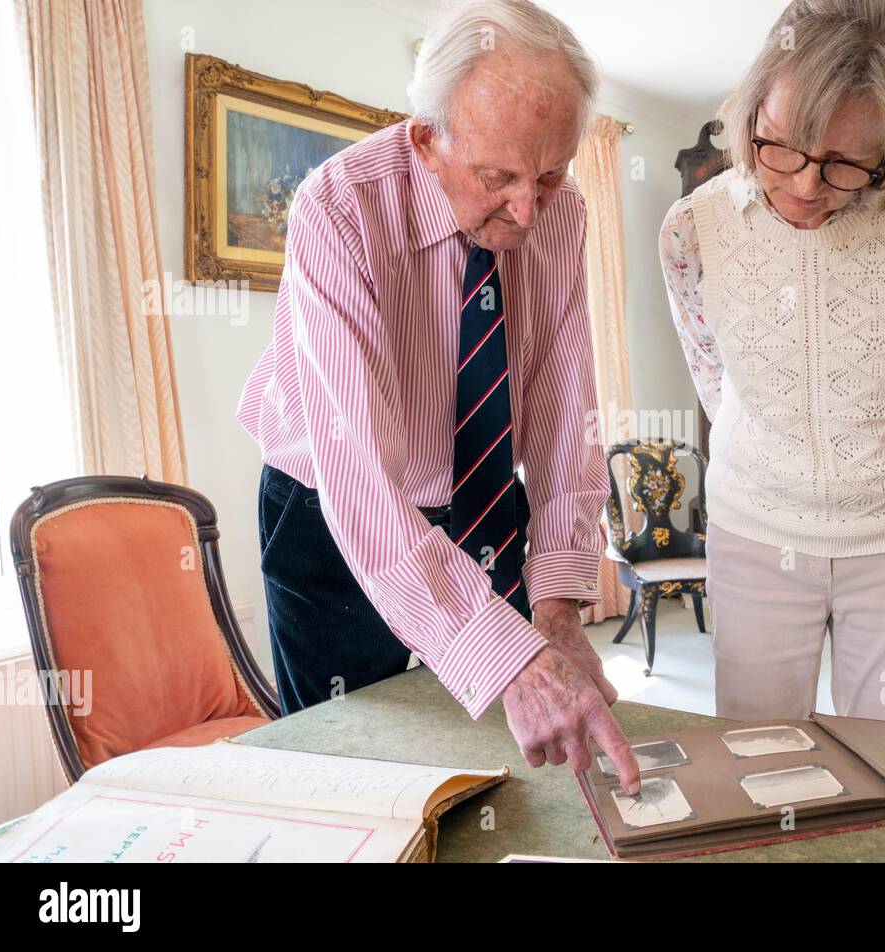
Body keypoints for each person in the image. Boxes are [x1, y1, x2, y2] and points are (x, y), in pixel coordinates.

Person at [237, 0, 639, 792]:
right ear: (426, 141)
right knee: (351, 766)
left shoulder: (563, 218)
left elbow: (565, 417)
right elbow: (361, 481)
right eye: (498, 178)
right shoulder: (336, 207)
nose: (526, 212)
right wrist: (507, 657)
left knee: (508, 767)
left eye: (550, 175)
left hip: (482, 499)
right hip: (333, 512)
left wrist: (555, 604)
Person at [659, 0, 885, 723]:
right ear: (750, 111)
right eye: (780, 145)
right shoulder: (692, 231)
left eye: (846, 163)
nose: (807, 185)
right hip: (753, 530)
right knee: (757, 763)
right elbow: (718, 385)